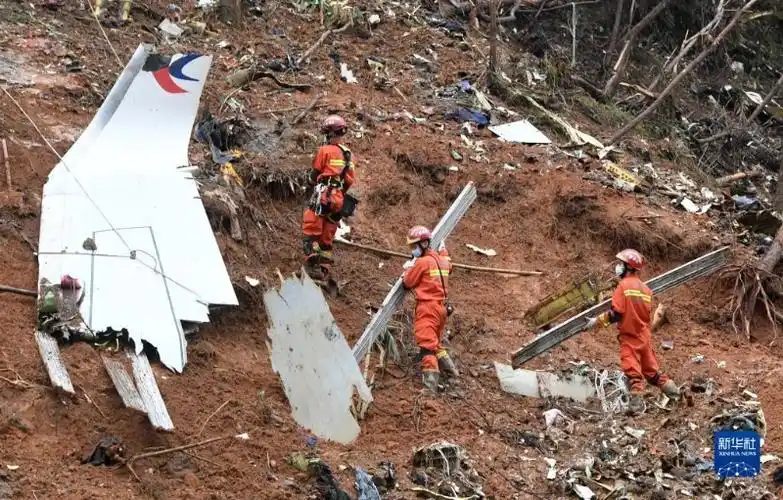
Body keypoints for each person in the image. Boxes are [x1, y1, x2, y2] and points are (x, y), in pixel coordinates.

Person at [585, 249, 680, 414]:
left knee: (633, 373)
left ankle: (635, 408)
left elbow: (617, 313)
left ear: (628, 266)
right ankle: (677, 395)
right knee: (653, 373)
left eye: (620, 264)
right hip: (644, 335)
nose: (618, 267)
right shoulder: (646, 290)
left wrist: (597, 321)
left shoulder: (623, 286)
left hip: (630, 337)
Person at [402, 226, 459, 392]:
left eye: (414, 246)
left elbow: (408, 282)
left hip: (427, 309)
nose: (413, 250)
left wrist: (408, 268)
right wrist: (444, 250)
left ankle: (430, 387)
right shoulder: (442, 261)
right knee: (435, 344)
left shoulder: (422, 262)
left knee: (427, 346)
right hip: (441, 309)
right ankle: (452, 373)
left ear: (423, 244)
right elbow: (449, 264)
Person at [302, 115, 356, 279]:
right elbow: (349, 180)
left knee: (312, 226)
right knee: (328, 230)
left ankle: (313, 263)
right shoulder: (348, 154)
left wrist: (309, 183)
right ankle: (324, 269)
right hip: (338, 198)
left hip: (324, 194)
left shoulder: (324, 150)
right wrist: (339, 192)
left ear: (329, 133)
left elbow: (316, 172)